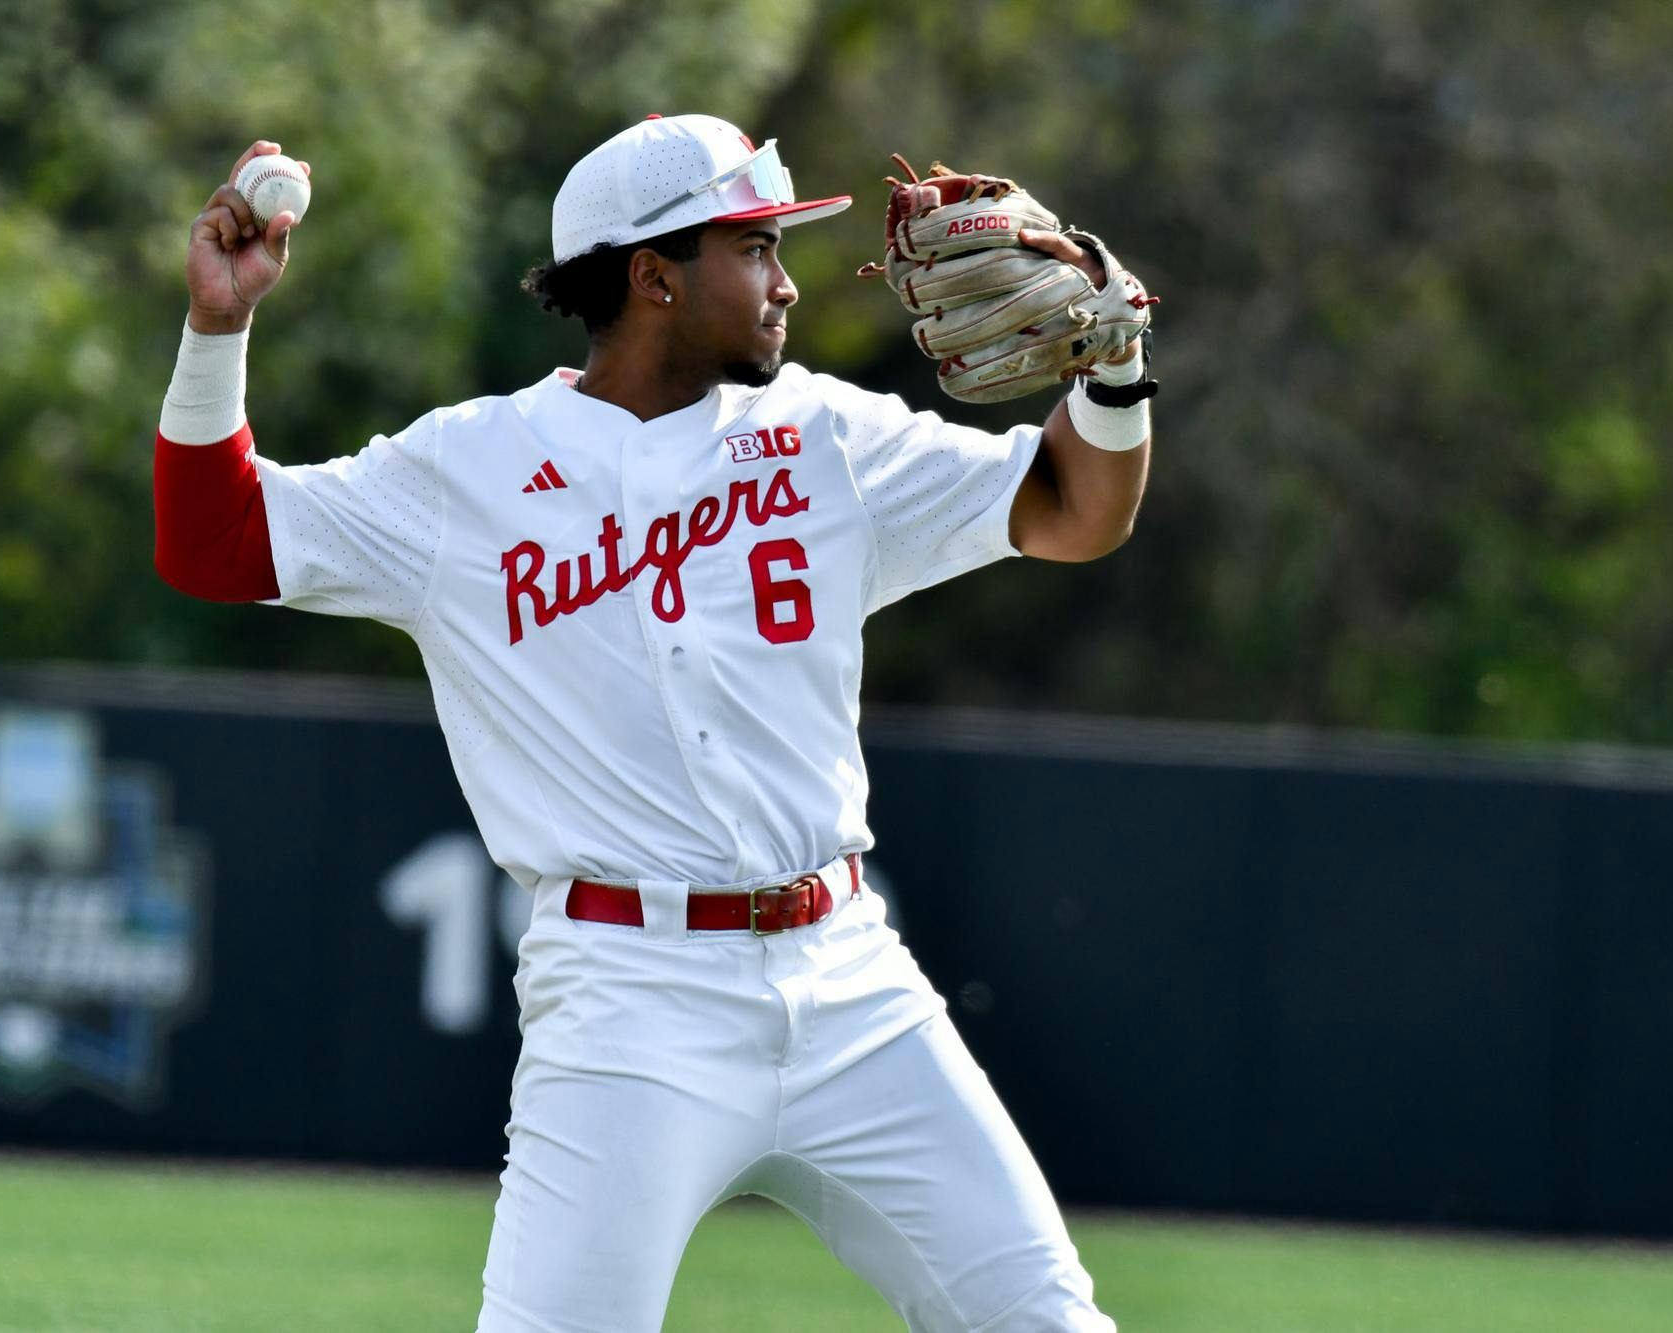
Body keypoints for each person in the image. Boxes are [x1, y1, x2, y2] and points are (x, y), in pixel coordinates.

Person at [154, 113, 1150, 1332]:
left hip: (848, 977)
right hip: (627, 997)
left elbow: (1075, 507)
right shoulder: (467, 469)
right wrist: (218, 327)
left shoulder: (830, 438)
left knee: (1045, 1321)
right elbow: (211, 542)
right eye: (754, 247)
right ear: (654, 276)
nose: (786, 281)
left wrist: (1112, 371)